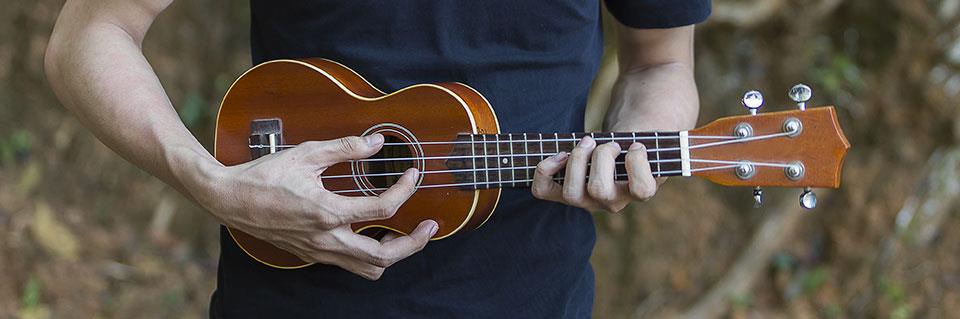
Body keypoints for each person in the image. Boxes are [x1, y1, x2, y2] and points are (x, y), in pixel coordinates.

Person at [45, 0, 709, 317]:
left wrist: (634, 143)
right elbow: (89, 34)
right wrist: (210, 181)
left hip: (534, 299)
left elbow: (661, 61)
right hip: (291, 303)